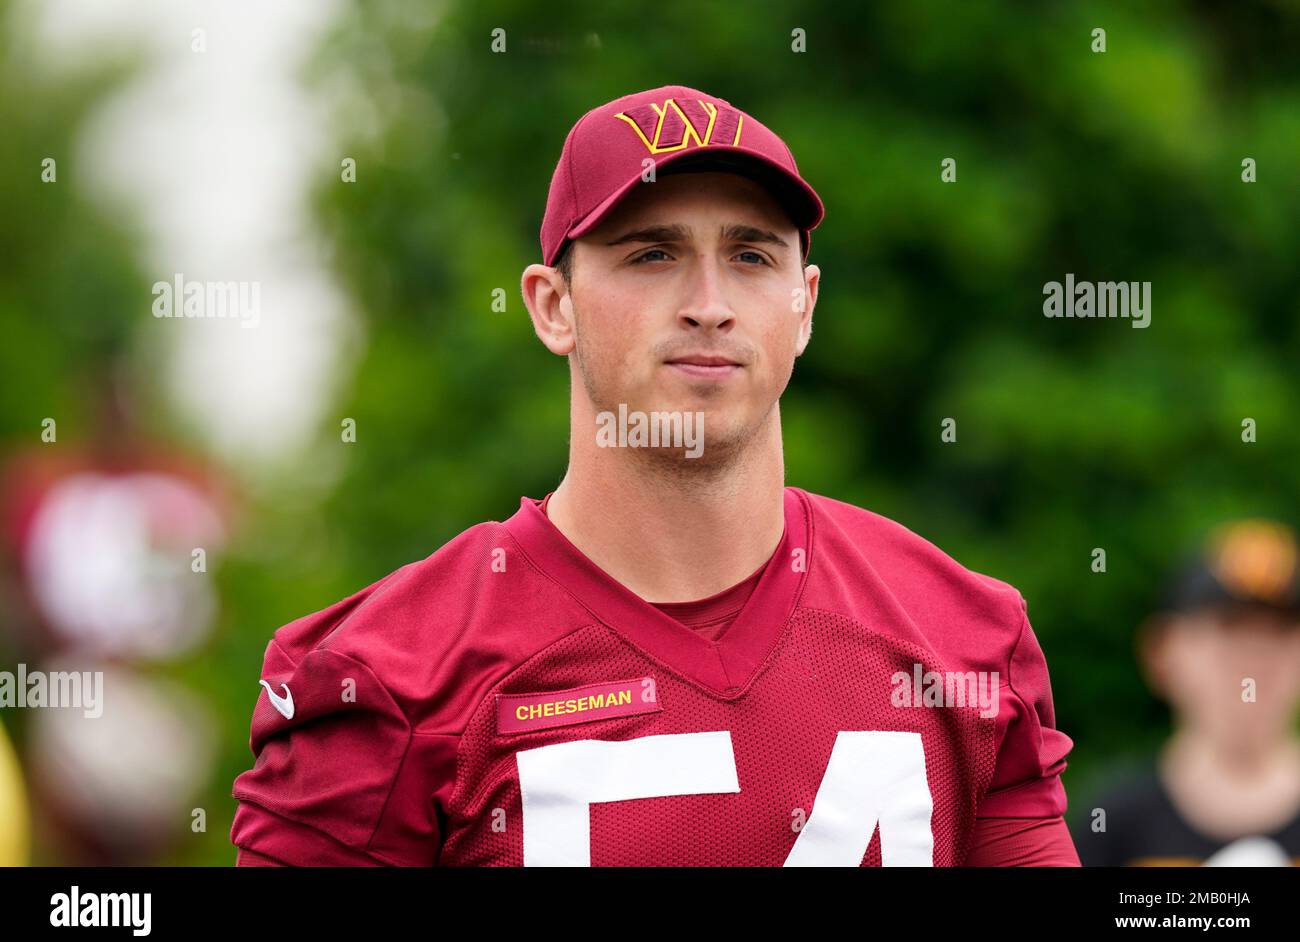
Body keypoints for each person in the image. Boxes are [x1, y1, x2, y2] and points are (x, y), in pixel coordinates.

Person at [230, 84, 1078, 866]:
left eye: (751, 256)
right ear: (552, 306)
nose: (708, 302)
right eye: (651, 254)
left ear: (806, 304)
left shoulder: (960, 639)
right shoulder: (390, 678)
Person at [1075, 520, 1300, 866]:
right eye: (1231, 629)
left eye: (1280, 633)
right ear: (1163, 653)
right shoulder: (1110, 824)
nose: (1256, 659)